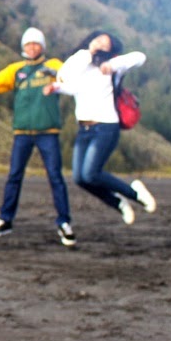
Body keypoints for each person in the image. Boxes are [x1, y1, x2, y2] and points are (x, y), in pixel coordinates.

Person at [0, 27, 75, 246]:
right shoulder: (17, 70)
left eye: (36, 44)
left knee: (55, 177)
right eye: (28, 44)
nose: (32, 48)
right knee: (14, 176)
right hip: (22, 132)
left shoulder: (53, 65)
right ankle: (5, 219)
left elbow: (72, 78)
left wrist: (59, 77)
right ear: (23, 47)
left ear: (42, 46)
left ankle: (64, 222)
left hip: (47, 132)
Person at [44, 31, 157, 225]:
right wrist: (57, 88)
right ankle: (118, 202)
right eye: (98, 40)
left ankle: (135, 194)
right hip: (84, 129)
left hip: (106, 126)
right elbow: (68, 78)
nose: (100, 44)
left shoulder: (113, 66)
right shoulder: (81, 60)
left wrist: (112, 65)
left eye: (106, 44)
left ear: (110, 50)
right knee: (80, 178)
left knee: (91, 173)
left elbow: (140, 57)